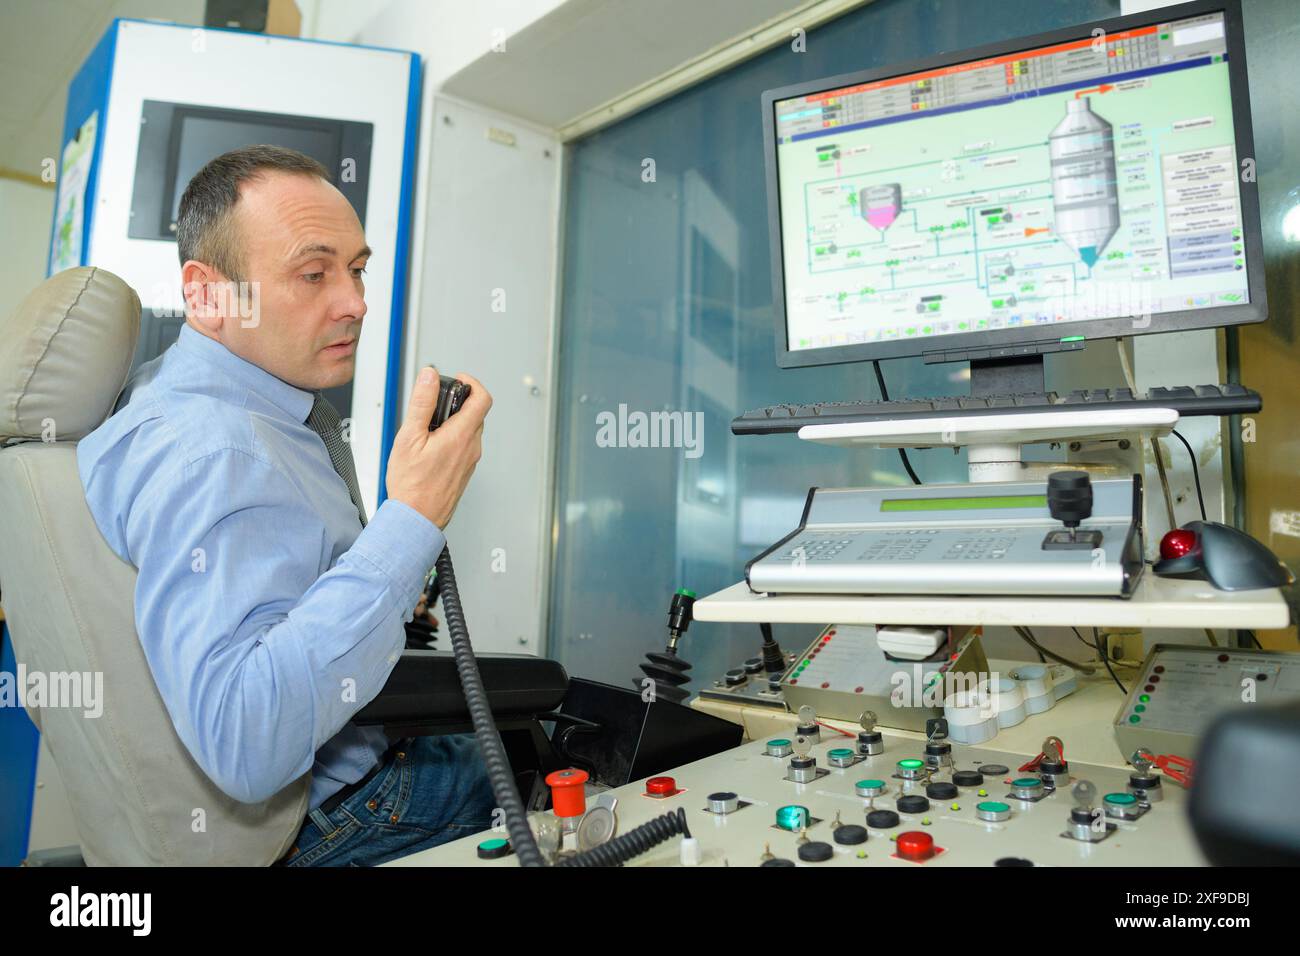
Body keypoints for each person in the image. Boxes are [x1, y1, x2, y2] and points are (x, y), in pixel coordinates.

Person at [78, 144, 496, 866]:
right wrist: (413, 518)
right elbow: (245, 737)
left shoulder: (180, 393)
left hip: (329, 779)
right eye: (313, 273)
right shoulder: (215, 450)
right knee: (575, 767)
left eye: (356, 269)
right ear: (209, 295)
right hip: (340, 816)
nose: (355, 303)